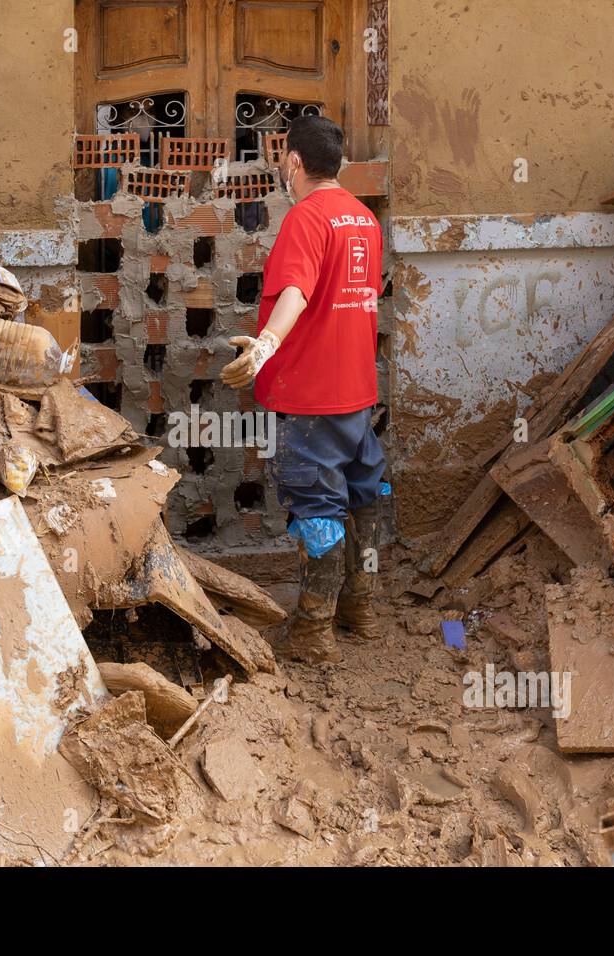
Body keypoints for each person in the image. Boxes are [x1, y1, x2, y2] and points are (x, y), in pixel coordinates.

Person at [221, 115, 387, 665]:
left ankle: (314, 630)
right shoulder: (364, 219)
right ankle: (358, 609)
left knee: (316, 506)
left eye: (282, 160)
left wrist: (264, 345)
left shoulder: (305, 218)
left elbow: (295, 289)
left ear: (294, 161)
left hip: (310, 395)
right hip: (358, 391)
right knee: (362, 496)